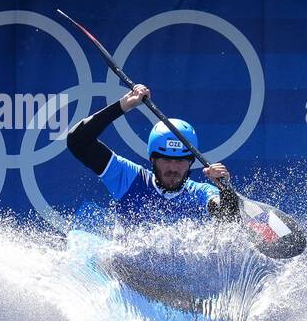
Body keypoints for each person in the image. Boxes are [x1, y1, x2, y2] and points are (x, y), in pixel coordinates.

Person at [66, 83, 237, 222]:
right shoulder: (129, 178)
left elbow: (228, 218)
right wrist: (123, 106)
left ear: (191, 162)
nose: (173, 168)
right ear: (152, 159)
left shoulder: (201, 193)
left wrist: (225, 189)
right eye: (165, 159)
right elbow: (78, 140)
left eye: (180, 161)